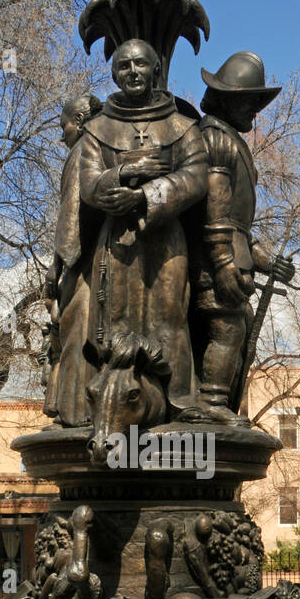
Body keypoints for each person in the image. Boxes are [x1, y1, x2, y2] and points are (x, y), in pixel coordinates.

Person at [51, 38, 208, 425]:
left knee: (169, 315)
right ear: (114, 74)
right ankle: (113, 405)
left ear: (155, 70)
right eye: (124, 67)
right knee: (117, 318)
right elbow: (86, 183)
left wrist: (147, 198)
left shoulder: (183, 126)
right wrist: (122, 173)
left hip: (164, 238)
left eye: (140, 64)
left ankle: (177, 401)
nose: (133, 72)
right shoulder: (97, 130)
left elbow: (196, 176)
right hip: (117, 242)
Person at [191, 51, 281, 426]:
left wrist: (258, 255)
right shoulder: (216, 140)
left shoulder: (229, 140)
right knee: (226, 327)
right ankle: (209, 405)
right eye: (249, 101)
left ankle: (215, 404)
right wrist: (225, 263)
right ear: (227, 98)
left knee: (235, 328)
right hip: (214, 262)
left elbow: (237, 222)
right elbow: (214, 214)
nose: (254, 111)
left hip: (230, 258)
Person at [42, 92, 102, 421]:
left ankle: (76, 413)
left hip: (85, 264)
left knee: (78, 327)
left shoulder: (81, 152)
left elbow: (72, 213)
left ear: (78, 122)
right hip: (100, 258)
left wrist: (57, 265)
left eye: (62, 125)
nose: (61, 133)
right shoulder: (103, 150)